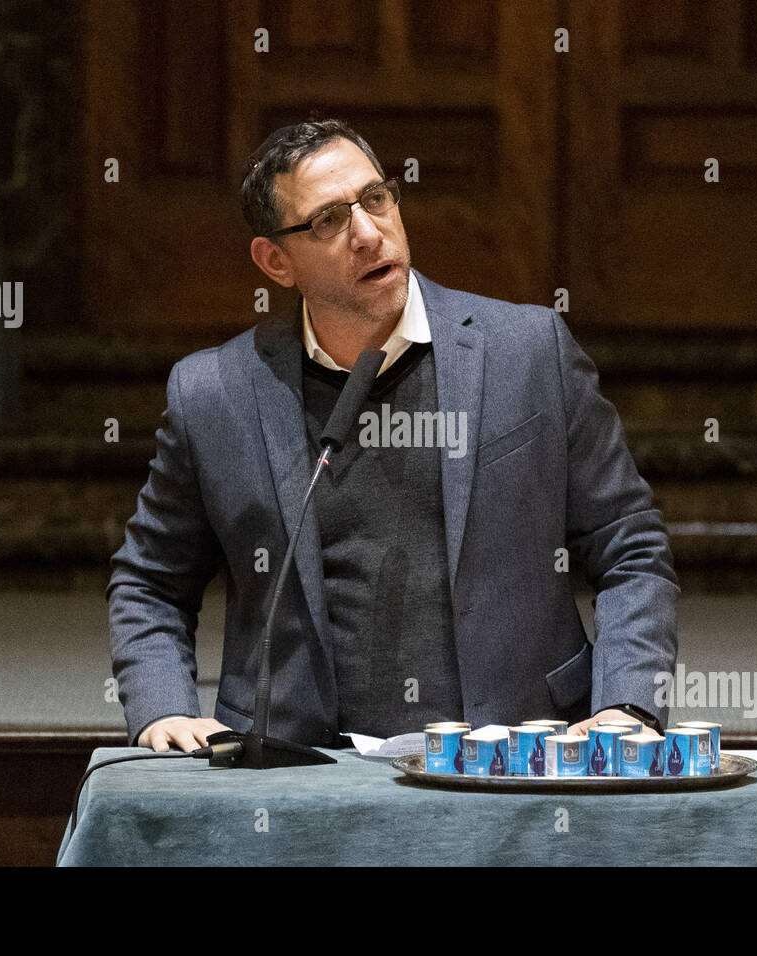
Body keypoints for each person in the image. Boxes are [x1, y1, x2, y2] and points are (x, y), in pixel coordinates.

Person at [109, 117, 679, 753]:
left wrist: (629, 703)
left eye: (375, 199)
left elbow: (629, 545)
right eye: (328, 220)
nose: (367, 233)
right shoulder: (215, 393)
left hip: (519, 755)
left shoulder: (529, 352)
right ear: (276, 261)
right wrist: (162, 709)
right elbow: (150, 581)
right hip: (302, 772)